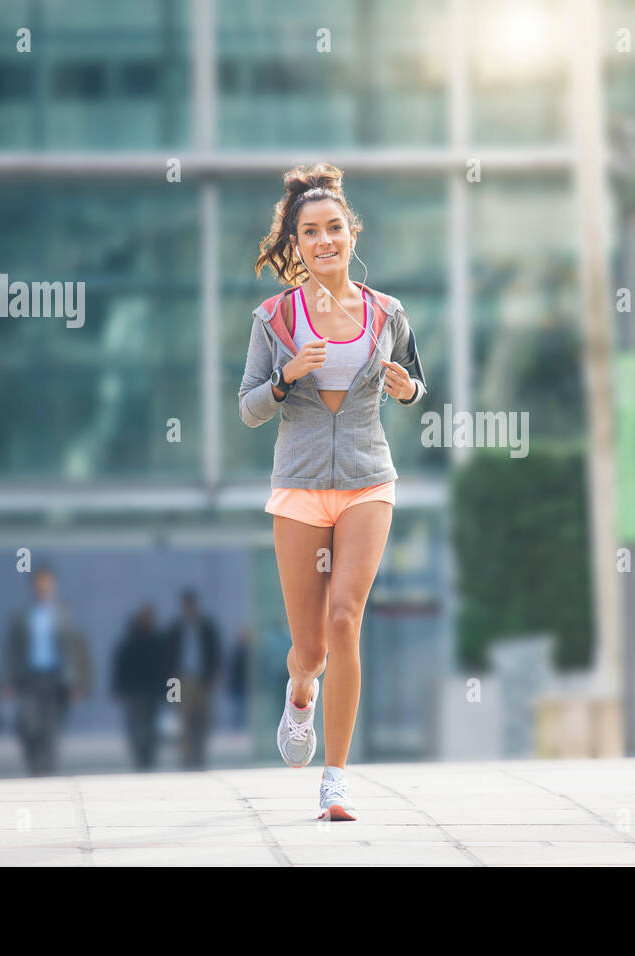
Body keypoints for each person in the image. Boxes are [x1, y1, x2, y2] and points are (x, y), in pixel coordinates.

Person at [241, 162, 429, 821]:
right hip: (297, 487)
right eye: (310, 232)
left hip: (366, 481)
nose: (325, 241)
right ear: (295, 245)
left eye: (335, 228)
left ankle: (337, 779)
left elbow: (414, 379)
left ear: (352, 233)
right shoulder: (273, 318)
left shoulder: (386, 311)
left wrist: (408, 389)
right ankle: (300, 692)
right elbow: (249, 409)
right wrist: (285, 378)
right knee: (312, 648)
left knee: (346, 618)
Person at [2, 564, 91, 776]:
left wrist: (76, 683)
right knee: (28, 726)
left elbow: (71, 651)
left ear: (53, 586)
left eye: (47, 583)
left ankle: (47, 771)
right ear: (33, 586)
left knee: (52, 728)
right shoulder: (21, 616)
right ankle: (35, 763)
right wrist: (6, 681)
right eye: (39, 583)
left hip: (55, 680)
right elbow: (11, 650)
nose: (43, 587)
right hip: (29, 679)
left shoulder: (61, 615)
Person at [163, 589, 220, 769]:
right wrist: (169, 686)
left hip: (202, 680)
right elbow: (167, 660)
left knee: (203, 720)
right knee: (183, 720)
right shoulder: (175, 629)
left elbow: (216, 654)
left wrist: (214, 678)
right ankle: (186, 758)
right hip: (180, 681)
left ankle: (200, 756)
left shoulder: (206, 627)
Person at [112, 603, 166, 770]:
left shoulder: (158, 642)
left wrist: (172, 693)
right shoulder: (129, 642)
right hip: (134, 693)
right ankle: (140, 760)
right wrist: (117, 689)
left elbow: (168, 670)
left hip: (153, 692)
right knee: (136, 728)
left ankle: (148, 760)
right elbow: (120, 667)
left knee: (150, 728)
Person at [226, 628, 253, 731]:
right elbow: (233, 670)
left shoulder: (250, 651)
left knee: (244, 708)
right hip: (240, 685)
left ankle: (243, 728)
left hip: (246, 685)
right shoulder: (238, 651)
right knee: (239, 709)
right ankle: (237, 729)